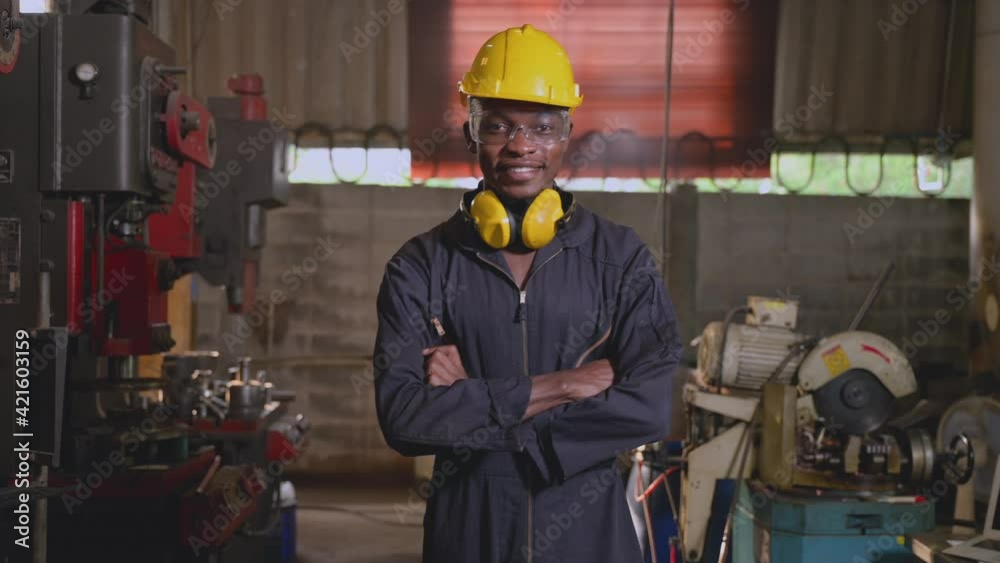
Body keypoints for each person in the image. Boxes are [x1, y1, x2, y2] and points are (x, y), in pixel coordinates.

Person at [374, 23, 683, 563]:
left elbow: (652, 407)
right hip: (470, 534)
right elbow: (404, 418)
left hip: (589, 535)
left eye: (542, 127)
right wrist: (564, 385)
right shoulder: (420, 266)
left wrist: (474, 402)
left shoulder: (620, 258)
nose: (520, 145)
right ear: (470, 132)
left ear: (567, 134)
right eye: (497, 126)